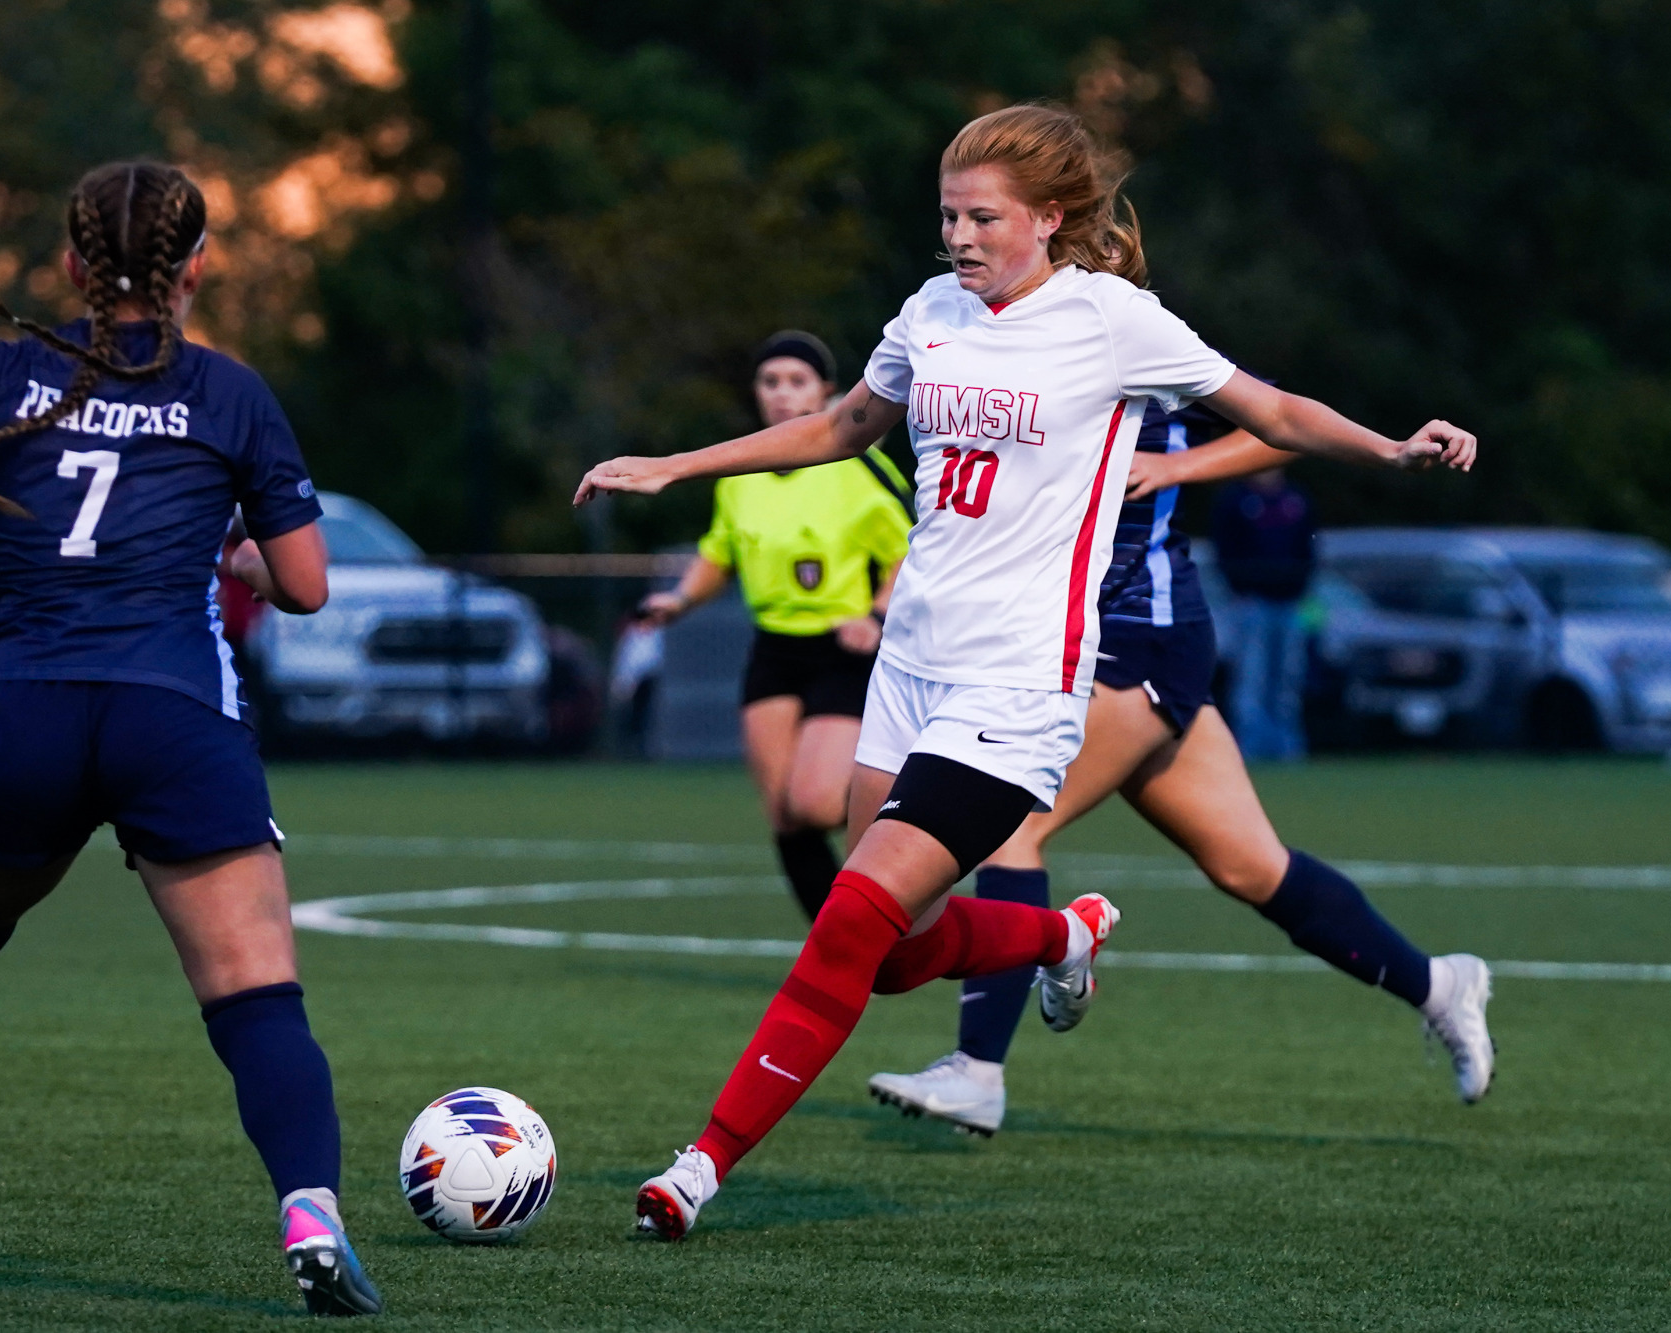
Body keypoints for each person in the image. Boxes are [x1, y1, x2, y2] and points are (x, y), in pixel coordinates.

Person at [575, 103, 1475, 1242]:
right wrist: (678, 465)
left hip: (1016, 687)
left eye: (982, 216)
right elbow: (845, 423)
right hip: (907, 671)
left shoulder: (1110, 321)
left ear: (1048, 218)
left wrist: (1391, 446)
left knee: (848, 922)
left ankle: (697, 1167)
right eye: (948, 212)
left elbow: (1273, 410)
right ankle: (1059, 937)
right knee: (895, 956)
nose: (958, 234)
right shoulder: (931, 311)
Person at [0, 163, 378, 1316]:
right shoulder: (229, 394)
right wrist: (224, 548)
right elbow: (305, 586)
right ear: (197, 268)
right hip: (171, 714)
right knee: (253, 994)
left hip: (22, 707)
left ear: (70, 268)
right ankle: (309, 1207)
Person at [866, 405, 1494, 1138]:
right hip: (1076, 644)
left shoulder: (1132, 331)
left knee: (1011, 833)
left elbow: (1277, 418)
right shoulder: (1025, 342)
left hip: (1138, 639)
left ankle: (979, 1071)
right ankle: (1439, 984)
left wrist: (1179, 465)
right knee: (1253, 868)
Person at [640, 331, 912, 919]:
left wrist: (876, 614)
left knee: (814, 803)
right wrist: (680, 601)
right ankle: (835, 942)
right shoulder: (741, 473)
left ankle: (902, 811)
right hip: (773, 649)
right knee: (785, 816)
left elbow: (911, 552)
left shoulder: (860, 467)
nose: (783, 395)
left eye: (797, 382)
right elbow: (718, 553)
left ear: (828, 393)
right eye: (770, 382)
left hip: (844, 648)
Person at [1212, 462, 1317, 759]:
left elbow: (1309, 548)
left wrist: (1300, 586)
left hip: (1290, 604)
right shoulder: (1235, 500)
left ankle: (1287, 748)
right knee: (1251, 678)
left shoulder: (1296, 499)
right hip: (1251, 603)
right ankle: (1250, 749)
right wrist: (1239, 587)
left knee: (1286, 679)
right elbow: (1224, 549)